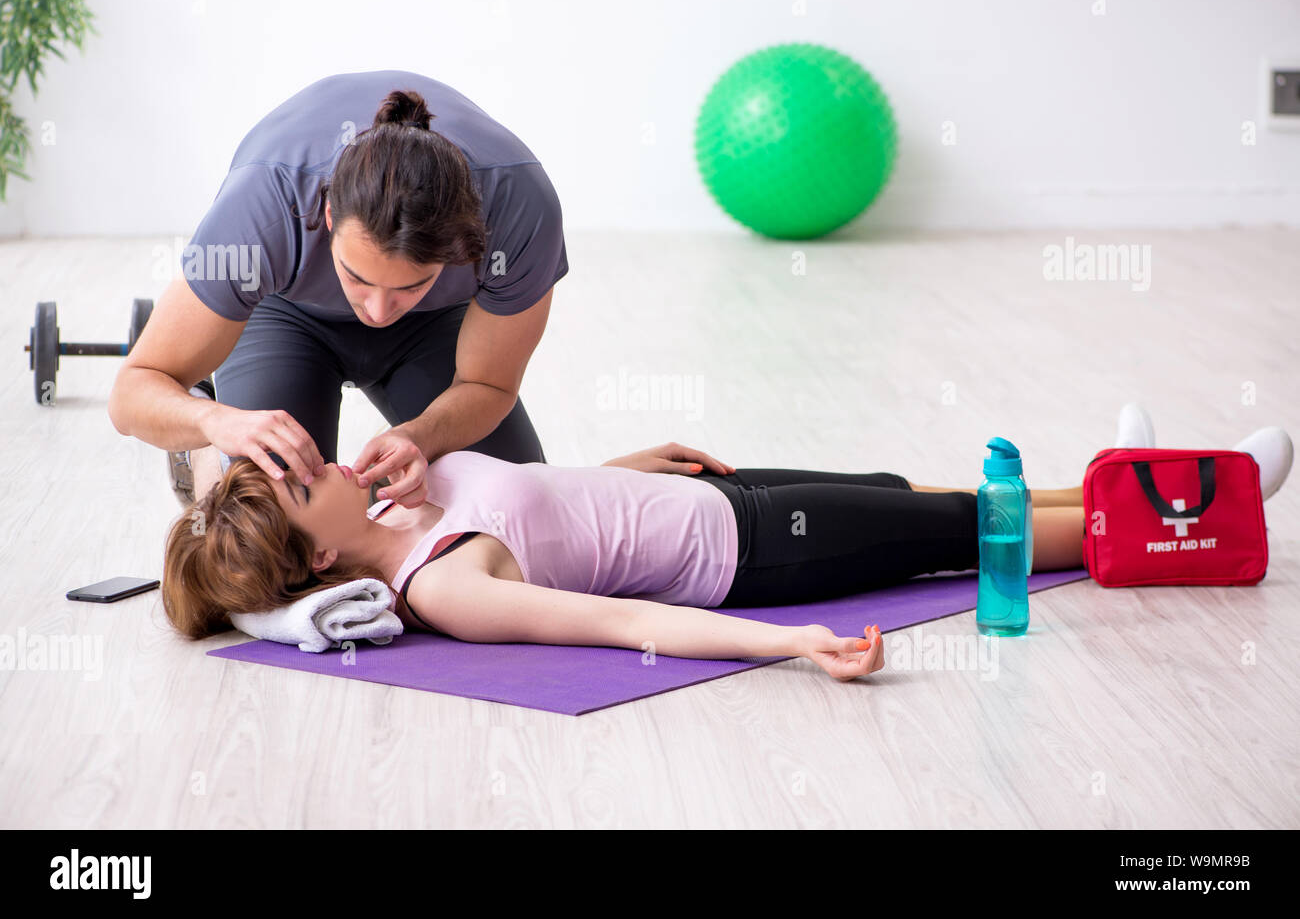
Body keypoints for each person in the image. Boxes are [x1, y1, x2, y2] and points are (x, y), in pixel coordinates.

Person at [163, 400, 1296, 683]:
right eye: (298, 482)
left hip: (728, 495)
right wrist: (793, 647)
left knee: (927, 486)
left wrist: (626, 468)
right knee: (972, 528)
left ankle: (1133, 481)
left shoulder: (399, 493)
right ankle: (1208, 510)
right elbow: (622, 620)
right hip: (758, 555)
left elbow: (543, 501)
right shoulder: (450, 587)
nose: (310, 460)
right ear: (319, 563)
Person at [109, 71, 567, 511]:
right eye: (357, 277)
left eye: (410, 285)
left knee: (514, 501)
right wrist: (214, 422)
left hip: (434, 323)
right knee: (274, 522)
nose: (378, 311)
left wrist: (421, 438)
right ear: (328, 216)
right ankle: (208, 459)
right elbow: (131, 394)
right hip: (287, 313)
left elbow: (487, 384)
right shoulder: (262, 208)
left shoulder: (519, 209)